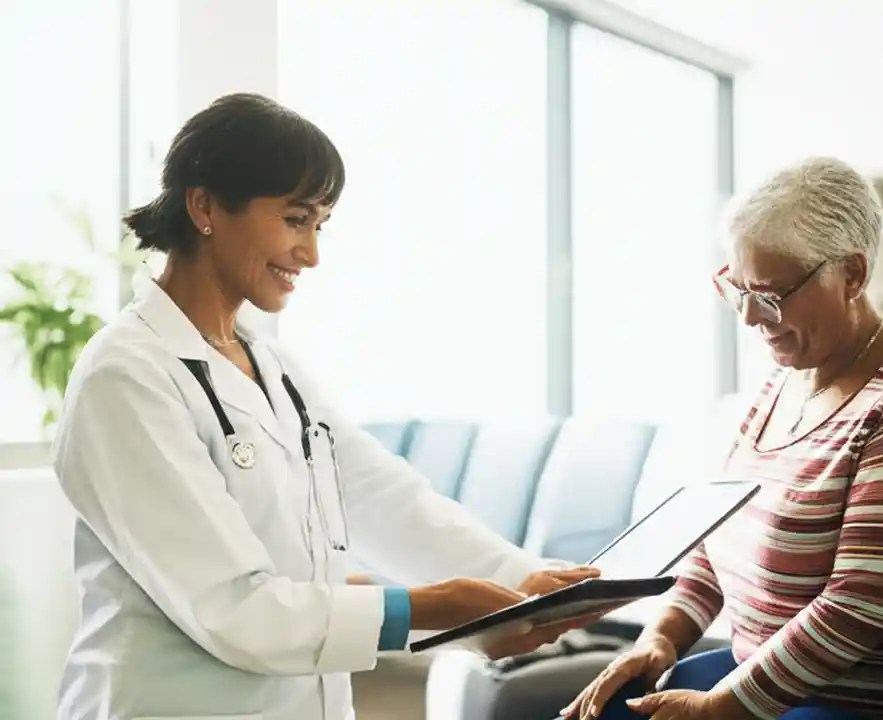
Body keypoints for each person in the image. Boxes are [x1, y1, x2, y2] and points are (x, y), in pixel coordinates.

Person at [53, 93, 599, 720]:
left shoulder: (273, 366)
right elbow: (238, 610)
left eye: (320, 225)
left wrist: (524, 584)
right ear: (203, 205)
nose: (311, 254)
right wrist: (438, 605)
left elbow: (382, 496)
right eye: (295, 220)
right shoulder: (125, 377)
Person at [561, 158, 883, 720]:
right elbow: (716, 540)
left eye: (771, 295)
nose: (751, 318)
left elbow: (860, 602)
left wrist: (721, 707)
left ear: (852, 275)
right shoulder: (785, 380)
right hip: (755, 682)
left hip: (847, 706)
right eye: (738, 289)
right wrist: (661, 637)